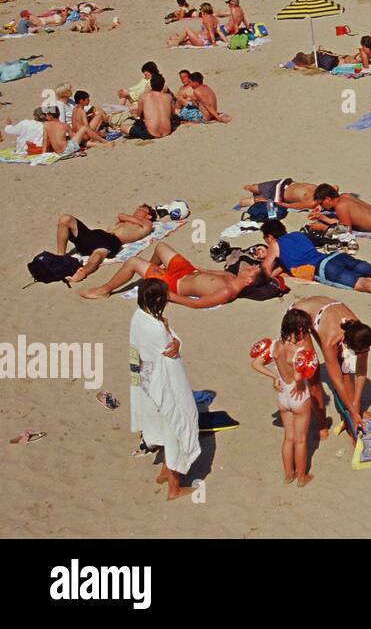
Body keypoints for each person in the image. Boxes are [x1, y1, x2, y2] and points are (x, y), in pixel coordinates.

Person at [129, 279, 200, 501]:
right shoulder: (156, 327)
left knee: (163, 427)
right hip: (164, 387)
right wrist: (174, 338)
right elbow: (169, 350)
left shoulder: (139, 317)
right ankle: (174, 488)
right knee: (176, 429)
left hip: (147, 385)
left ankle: (163, 473)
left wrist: (172, 335)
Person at [249, 307, 318, 486]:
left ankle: (289, 474)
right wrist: (301, 381)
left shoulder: (274, 345)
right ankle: (302, 477)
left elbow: (255, 364)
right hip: (299, 396)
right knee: (301, 440)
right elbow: (298, 375)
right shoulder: (299, 350)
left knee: (288, 437)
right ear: (300, 329)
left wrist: (274, 377)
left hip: (283, 396)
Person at [81, 241, 264, 308]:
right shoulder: (232, 277)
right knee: (161, 246)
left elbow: (196, 303)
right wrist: (196, 269)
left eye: (251, 269)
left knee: (133, 262)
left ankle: (105, 290)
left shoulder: (227, 291)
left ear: (248, 280)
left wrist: (168, 295)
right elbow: (210, 272)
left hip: (175, 283)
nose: (248, 266)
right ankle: (149, 272)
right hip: (187, 271)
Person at [260, 219, 371, 296]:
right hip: (335, 257)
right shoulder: (298, 235)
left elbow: (265, 268)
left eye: (265, 238)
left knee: (362, 283)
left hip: (324, 269)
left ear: (270, 237)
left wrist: (269, 276)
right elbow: (293, 258)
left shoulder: (274, 244)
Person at [298, 295, 371, 440]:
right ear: (345, 342)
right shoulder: (331, 340)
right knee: (313, 374)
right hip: (300, 315)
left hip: (322, 310)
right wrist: (352, 410)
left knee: (345, 366)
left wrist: (356, 403)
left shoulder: (360, 332)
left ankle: (354, 414)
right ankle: (321, 423)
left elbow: (361, 370)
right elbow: (336, 380)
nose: (361, 355)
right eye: (357, 352)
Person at [54, 206, 156, 283]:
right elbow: (121, 215)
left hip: (112, 240)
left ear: (149, 216)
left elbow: (135, 221)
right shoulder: (128, 219)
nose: (137, 209)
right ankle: (60, 257)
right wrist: (131, 218)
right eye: (138, 208)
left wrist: (132, 219)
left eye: (142, 209)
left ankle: (83, 272)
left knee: (98, 256)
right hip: (94, 235)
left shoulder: (148, 224)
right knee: (65, 218)